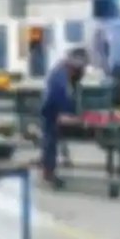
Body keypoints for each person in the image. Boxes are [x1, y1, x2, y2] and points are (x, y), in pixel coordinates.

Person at [38, 47, 90, 186]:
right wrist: (74, 119)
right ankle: (48, 172)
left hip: (55, 111)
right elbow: (59, 104)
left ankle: (48, 168)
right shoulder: (59, 78)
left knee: (50, 141)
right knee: (50, 140)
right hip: (51, 112)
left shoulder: (63, 73)